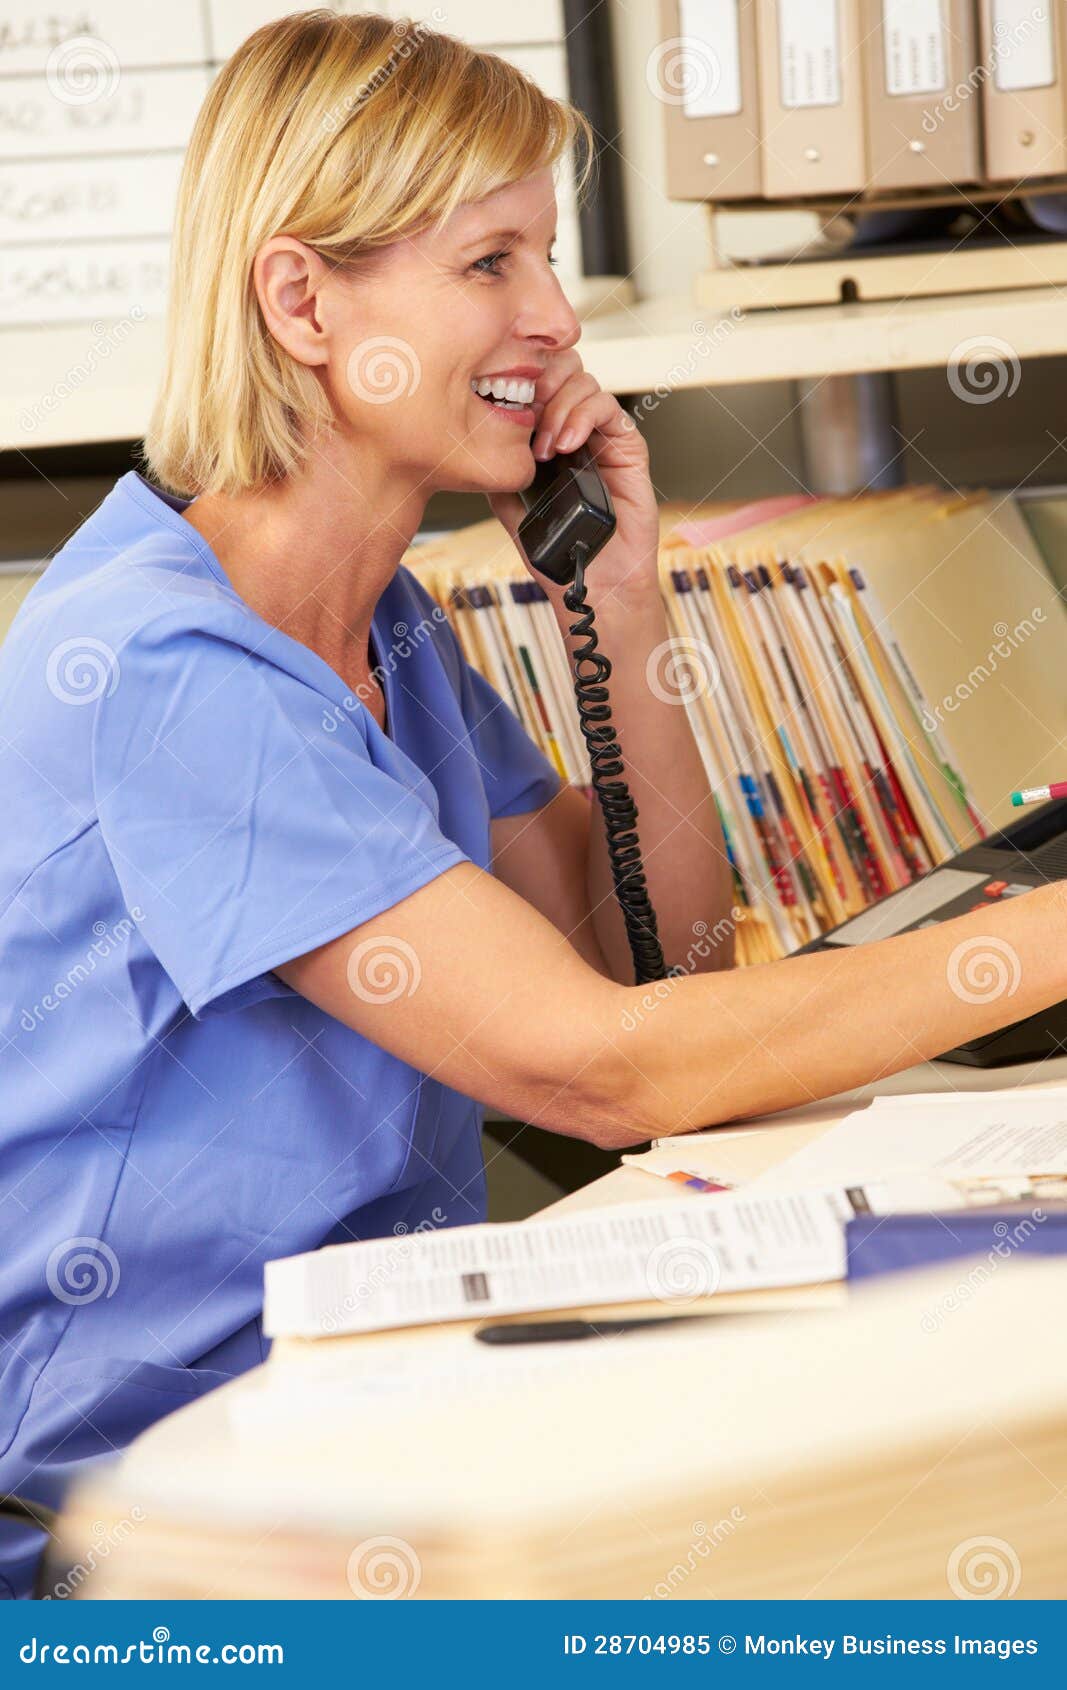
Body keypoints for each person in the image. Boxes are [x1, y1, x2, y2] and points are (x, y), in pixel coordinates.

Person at [1, 8, 1065, 1601]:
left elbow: (667, 978)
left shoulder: (386, 632)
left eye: (550, 259)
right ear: (302, 300)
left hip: (391, 1439)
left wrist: (624, 608)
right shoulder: (164, 667)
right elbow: (600, 1070)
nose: (557, 317)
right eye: (492, 261)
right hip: (150, 1545)